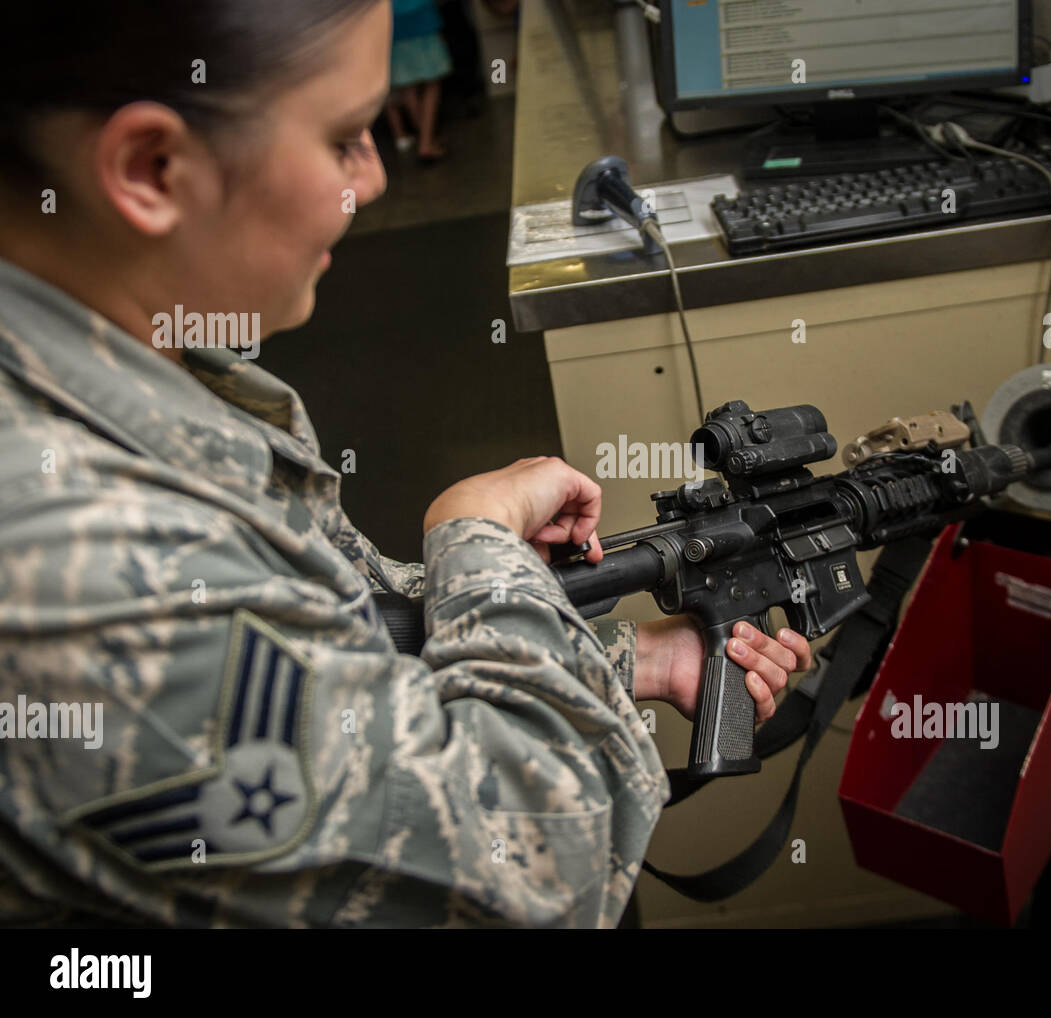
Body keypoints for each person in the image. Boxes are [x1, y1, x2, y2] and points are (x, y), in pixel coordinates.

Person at [0, 1, 811, 927]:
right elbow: (542, 870)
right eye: (346, 136)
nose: (376, 177)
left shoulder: (154, 361)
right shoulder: (71, 562)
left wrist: (633, 659)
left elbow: (336, 656)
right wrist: (476, 541)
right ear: (152, 168)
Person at [384, 0, 453, 160]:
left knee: (408, 88)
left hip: (395, 24)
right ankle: (427, 141)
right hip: (421, 20)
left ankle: (426, 138)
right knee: (433, 83)